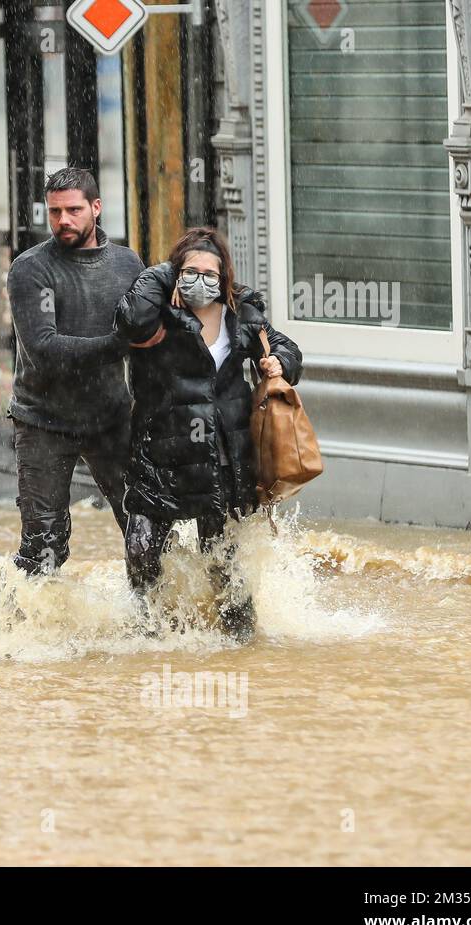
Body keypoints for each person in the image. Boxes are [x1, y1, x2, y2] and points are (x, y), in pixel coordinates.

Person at [114, 225, 303, 640]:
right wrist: (162, 277)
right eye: (190, 271)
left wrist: (280, 364)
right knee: (142, 554)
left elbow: (288, 348)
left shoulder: (242, 313)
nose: (200, 280)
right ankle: (150, 639)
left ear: (224, 278)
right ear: (176, 272)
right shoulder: (157, 306)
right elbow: (130, 322)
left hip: (223, 461)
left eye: (210, 273)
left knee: (225, 566)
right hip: (158, 459)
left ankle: (241, 646)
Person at [7, 167, 148, 575]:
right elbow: (44, 348)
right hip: (43, 422)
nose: (63, 221)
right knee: (43, 547)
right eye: (54, 212)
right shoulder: (31, 269)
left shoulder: (127, 264)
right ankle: (31, 632)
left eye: (73, 210)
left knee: (146, 527)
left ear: (96, 208)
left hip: (111, 418)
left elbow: (152, 338)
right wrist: (118, 343)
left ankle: (156, 629)